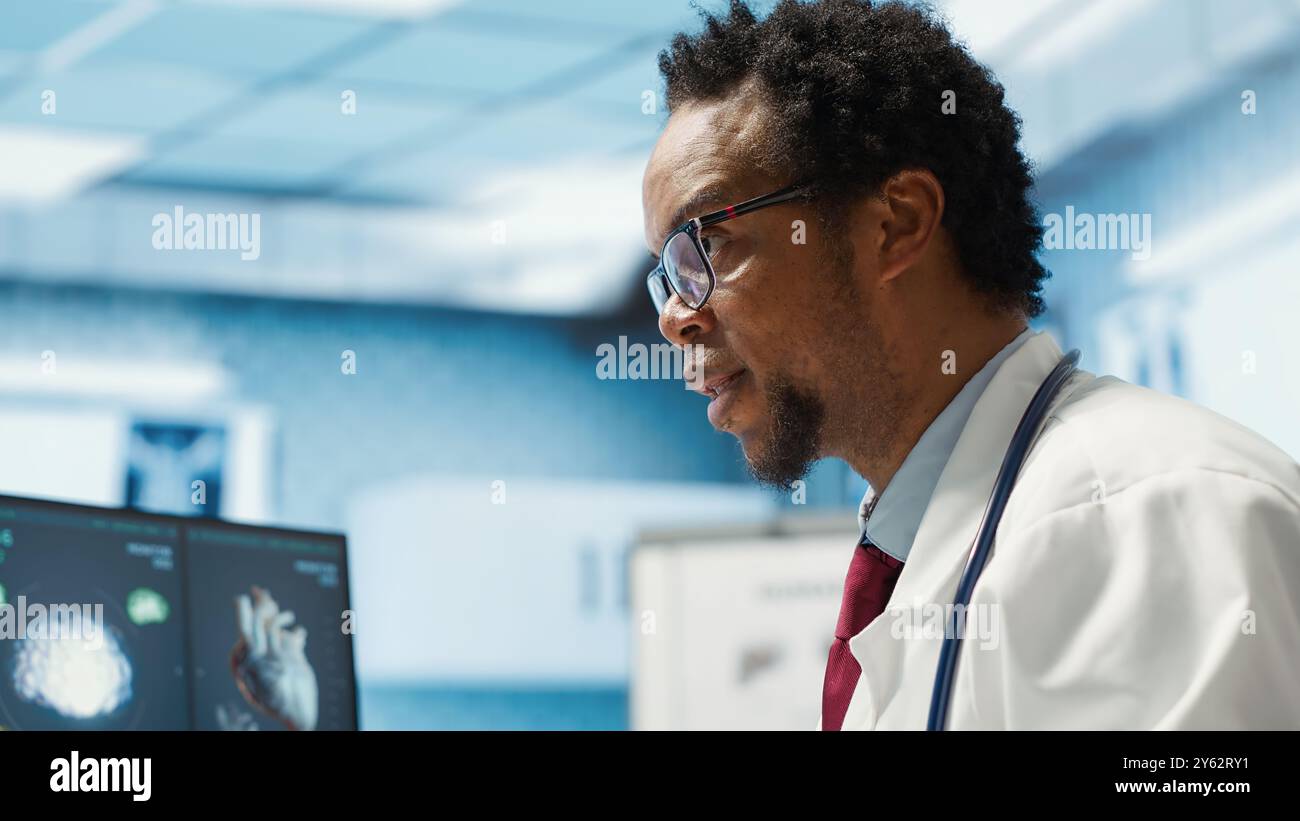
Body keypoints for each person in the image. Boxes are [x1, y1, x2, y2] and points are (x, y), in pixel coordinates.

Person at [640, 0, 1300, 729]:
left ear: (897, 224)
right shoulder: (919, 560)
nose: (676, 315)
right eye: (665, 274)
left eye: (707, 245)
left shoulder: (1149, 518)